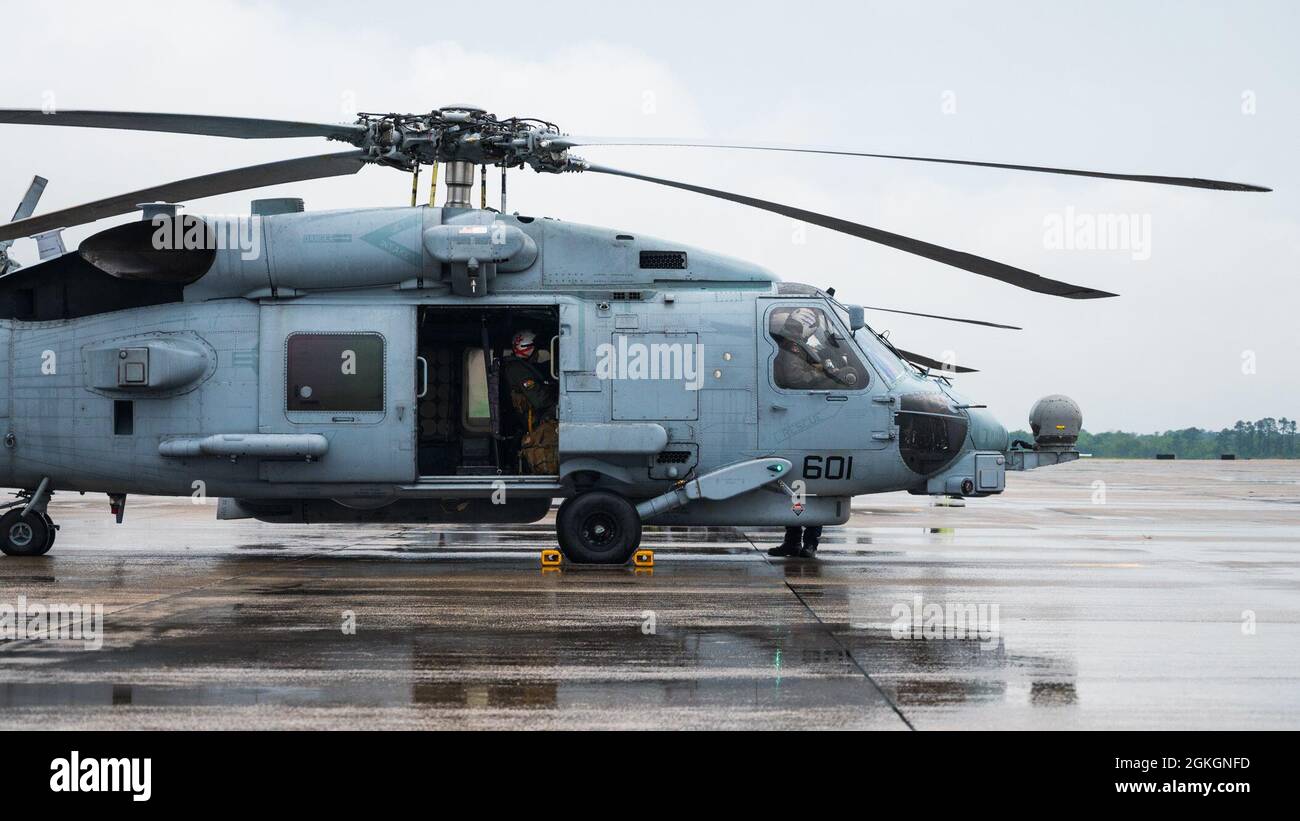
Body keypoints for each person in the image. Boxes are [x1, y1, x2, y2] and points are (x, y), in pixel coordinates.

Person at [501, 329, 558, 474]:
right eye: (537, 350)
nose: (538, 354)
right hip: (533, 418)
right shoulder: (517, 369)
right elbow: (540, 400)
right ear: (529, 350)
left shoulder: (521, 366)